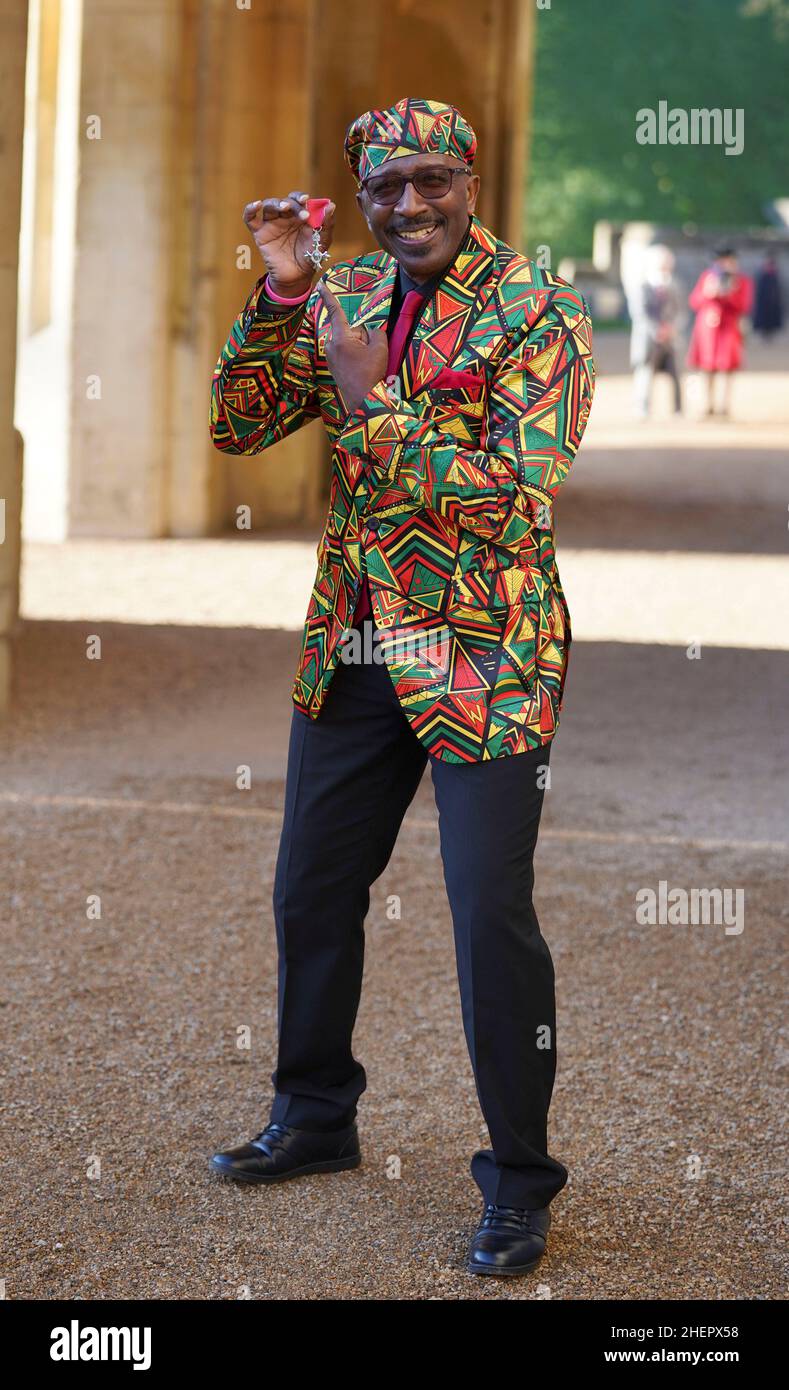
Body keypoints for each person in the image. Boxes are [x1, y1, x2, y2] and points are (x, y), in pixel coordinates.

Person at [207, 96, 595, 1278]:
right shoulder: (349, 296)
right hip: (358, 642)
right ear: (361, 198)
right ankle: (316, 1115)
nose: (408, 205)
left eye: (430, 181)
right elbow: (238, 425)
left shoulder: (540, 308)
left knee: (488, 914)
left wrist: (373, 403)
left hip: (485, 649)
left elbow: (512, 491)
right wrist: (281, 300)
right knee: (310, 891)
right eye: (384, 189)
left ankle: (520, 1182)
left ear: (469, 181)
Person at [687, 246, 753, 417]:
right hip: (708, 329)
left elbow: (744, 305)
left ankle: (725, 405)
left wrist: (729, 294)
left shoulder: (742, 281)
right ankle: (708, 404)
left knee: (727, 367)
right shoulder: (707, 278)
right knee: (706, 367)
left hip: (728, 329)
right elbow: (694, 301)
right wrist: (709, 293)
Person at [628, 244, 684, 417]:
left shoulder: (674, 286)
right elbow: (639, 313)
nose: (664, 267)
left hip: (670, 339)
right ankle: (642, 407)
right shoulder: (641, 286)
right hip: (648, 340)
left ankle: (678, 409)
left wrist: (672, 327)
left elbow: (681, 311)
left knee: (675, 375)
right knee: (645, 373)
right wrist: (656, 331)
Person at [752, 253, 784, 340]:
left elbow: (777, 288)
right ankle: (765, 333)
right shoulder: (763, 273)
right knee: (764, 319)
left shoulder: (774, 273)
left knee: (771, 320)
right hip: (763, 301)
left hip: (772, 301)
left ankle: (769, 334)